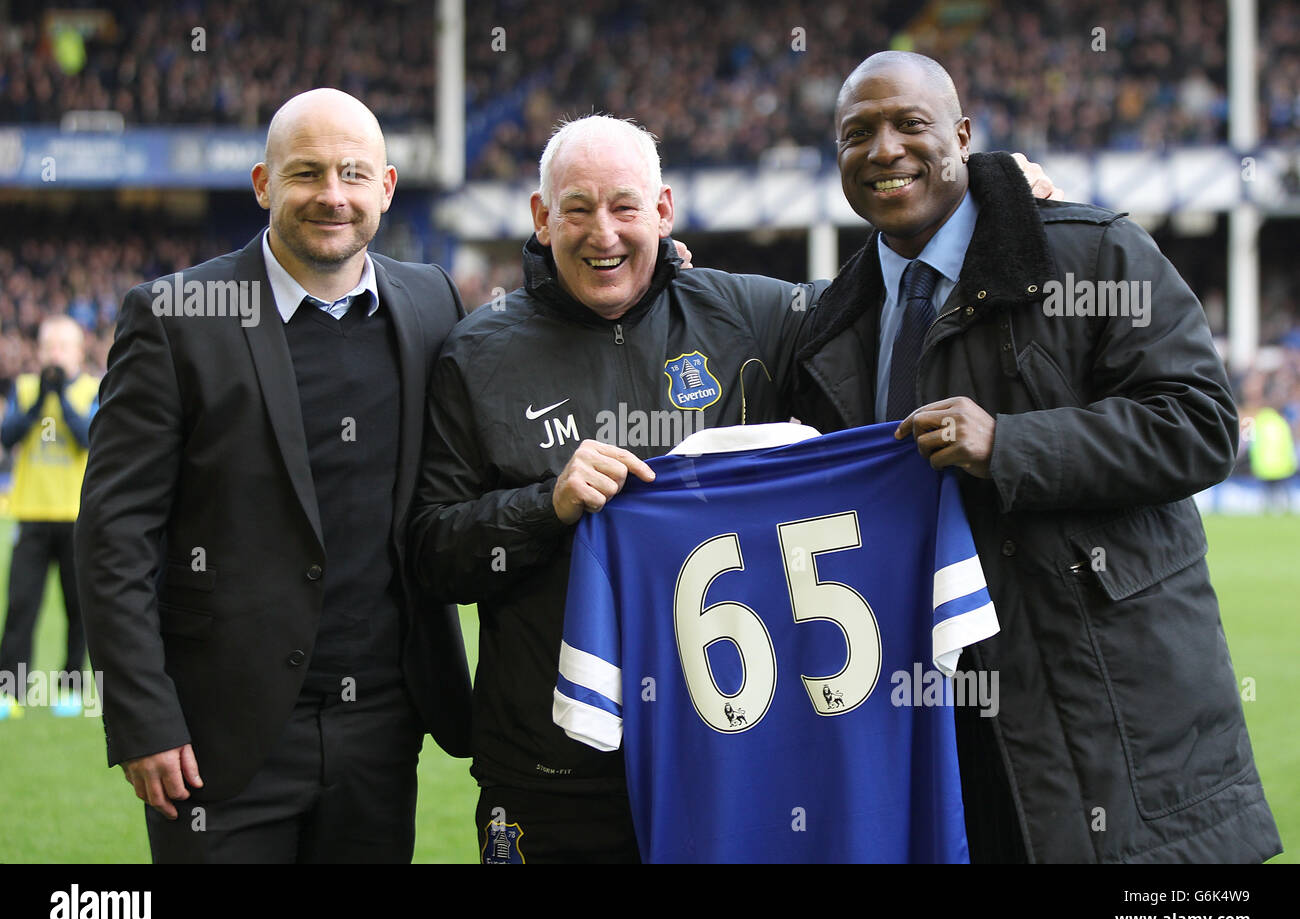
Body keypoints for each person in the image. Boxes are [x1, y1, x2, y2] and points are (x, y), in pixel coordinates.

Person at [789, 51, 1281, 862]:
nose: (884, 150)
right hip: (937, 732)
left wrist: (1011, 444)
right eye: (857, 133)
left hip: (1110, 733)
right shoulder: (829, 330)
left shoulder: (1093, 253)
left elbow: (1200, 424)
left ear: (963, 135)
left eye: (910, 125)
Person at [409, 115, 823, 863]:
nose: (603, 232)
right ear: (541, 217)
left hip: (725, 755)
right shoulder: (475, 354)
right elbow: (433, 556)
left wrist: (988, 198)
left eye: (625, 208)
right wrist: (548, 505)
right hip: (549, 773)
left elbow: (889, 303)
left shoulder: (749, 317)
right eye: (577, 208)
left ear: (663, 212)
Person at [75, 88, 472, 863]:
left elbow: (529, 349)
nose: (332, 195)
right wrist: (144, 719)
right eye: (307, 174)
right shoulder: (177, 316)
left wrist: (659, 268)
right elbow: (115, 535)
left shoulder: (432, 303)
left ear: (386, 189)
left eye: (354, 174)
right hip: (216, 739)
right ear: (263, 184)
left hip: (382, 729)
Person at [0, 316, 99, 719]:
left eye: (63, 346)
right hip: (32, 515)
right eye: (49, 346)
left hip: (77, 517)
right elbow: (8, 436)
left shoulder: (94, 389)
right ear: (39, 352)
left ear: (78, 351)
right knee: (21, 606)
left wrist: (61, 397)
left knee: (78, 608)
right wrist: (41, 400)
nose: (54, 353)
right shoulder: (24, 389)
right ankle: (10, 690)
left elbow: (87, 438)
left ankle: (71, 687)